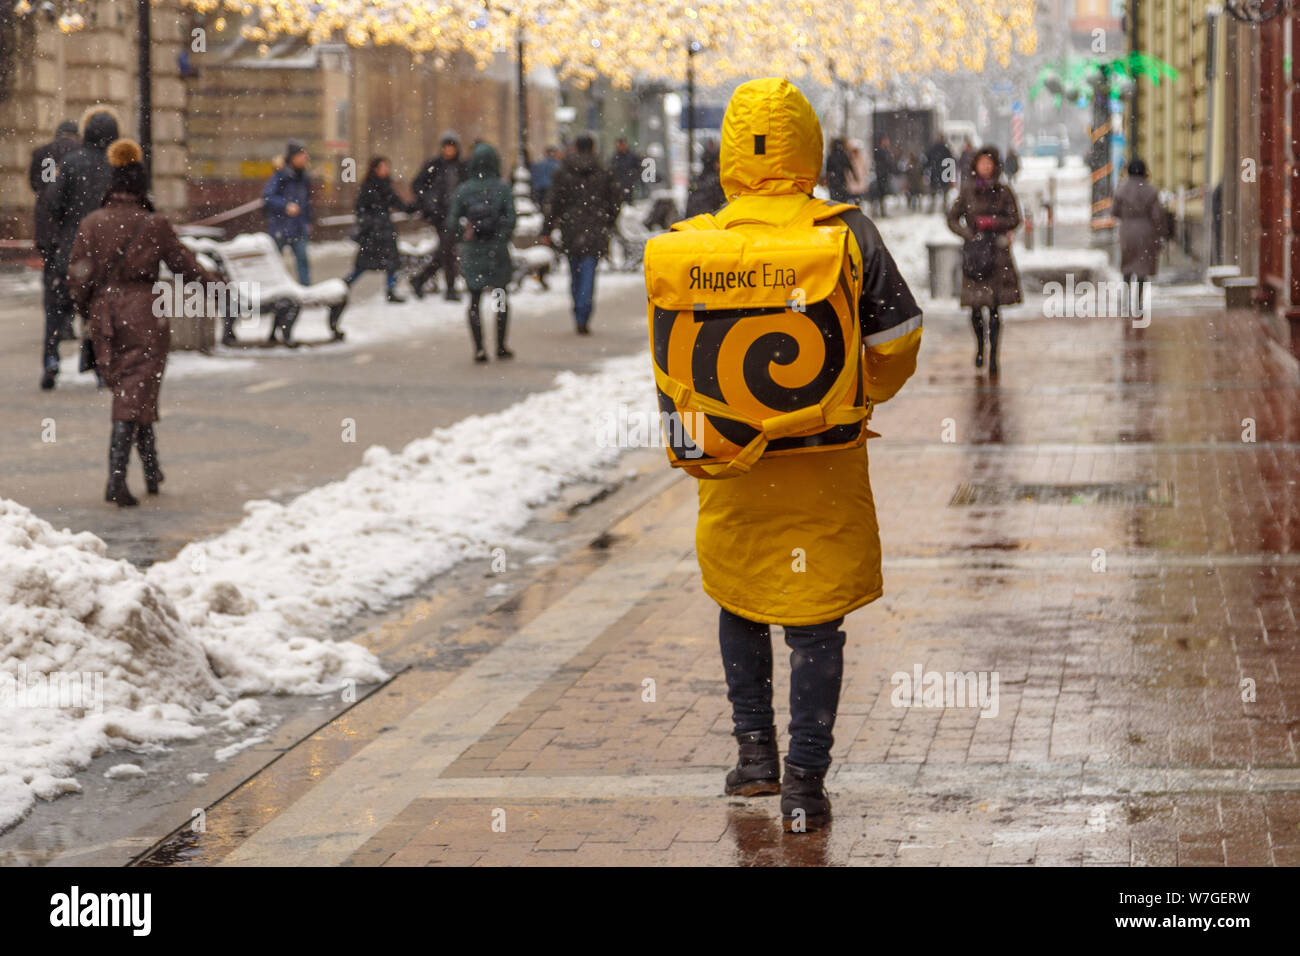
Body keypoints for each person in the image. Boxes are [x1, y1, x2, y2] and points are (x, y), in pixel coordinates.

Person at [679, 78, 922, 834]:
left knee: (740, 599)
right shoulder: (849, 232)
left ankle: (756, 757)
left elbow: (678, 361)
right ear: (810, 148)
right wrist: (858, 390)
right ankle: (805, 785)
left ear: (730, 152)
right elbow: (897, 339)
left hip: (733, 461)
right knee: (816, 622)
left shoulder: (702, 241)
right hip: (824, 459)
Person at [67, 139, 220, 507]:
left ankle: (152, 471)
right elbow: (185, 266)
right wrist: (218, 288)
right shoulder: (154, 225)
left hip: (105, 319)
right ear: (141, 187)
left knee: (133, 390)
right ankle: (116, 479)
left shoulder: (91, 223)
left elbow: (77, 275)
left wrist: (89, 309)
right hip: (144, 316)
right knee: (135, 392)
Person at [46, 109, 120, 389]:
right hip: (106, 252)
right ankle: (100, 366)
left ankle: (51, 358)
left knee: (57, 306)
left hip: (72, 248)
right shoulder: (115, 167)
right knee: (97, 309)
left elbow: (53, 202)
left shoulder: (71, 162)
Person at [947, 145, 1022, 377]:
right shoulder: (968, 191)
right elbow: (952, 218)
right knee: (976, 310)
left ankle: (994, 356)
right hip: (975, 257)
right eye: (982, 164)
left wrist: (993, 223)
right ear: (975, 166)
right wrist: (969, 235)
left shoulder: (1004, 191)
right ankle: (980, 347)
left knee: (995, 309)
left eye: (989, 164)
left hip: (997, 257)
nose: (986, 168)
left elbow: (1014, 219)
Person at [542, 134, 621, 335]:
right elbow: (615, 201)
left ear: (575, 147)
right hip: (595, 229)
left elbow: (554, 202)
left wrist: (547, 229)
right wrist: (607, 220)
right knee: (588, 272)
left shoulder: (564, 172)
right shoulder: (603, 171)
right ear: (593, 148)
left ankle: (578, 307)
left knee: (574, 272)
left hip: (571, 228)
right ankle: (583, 312)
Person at [447, 142, 516, 363]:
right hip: (496, 251)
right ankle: (501, 346)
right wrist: (500, 235)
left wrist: (466, 234)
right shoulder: (502, 188)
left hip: (473, 251)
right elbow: (512, 219)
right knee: (500, 298)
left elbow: (451, 222)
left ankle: (479, 348)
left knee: (474, 300)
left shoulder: (464, 189)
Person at [30, 119, 81, 389]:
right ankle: (90, 356)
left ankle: (51, 356)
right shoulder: (81, 156)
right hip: (74, 241)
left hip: (51, 238)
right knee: (85, 295)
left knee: (52, 296)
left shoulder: (41, 153)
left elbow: (35, 186)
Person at [344, 157, 417, 309]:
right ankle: (343, 286)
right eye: (383, 167)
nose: (386, 170)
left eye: (387, 167)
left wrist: (412, 207)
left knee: (392, 263)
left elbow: (398, 203)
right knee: (362, 265)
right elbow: (360, 209)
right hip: (372, 233)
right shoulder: (368, 187)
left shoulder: (386, 186)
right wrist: (371, 223)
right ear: (375, 169)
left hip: (385, 231)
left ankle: (390, 291)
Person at [410, 132, 465, 301]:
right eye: (446, 147)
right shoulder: (434, 165)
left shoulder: (461, 167)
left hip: (455, 214)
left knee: (446, 251)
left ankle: (420, 279)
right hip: (440, 215)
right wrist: (430, 202)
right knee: (448, 251)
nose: (449, 151)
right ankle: (449, 288)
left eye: (451, 147)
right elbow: (418, 185)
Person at [1113, 158, 1165, 316]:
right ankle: (1139, 302)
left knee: (1127, 265)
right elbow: (1157, 216)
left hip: (1127, 231)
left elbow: (1114, 212)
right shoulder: (1151, 191)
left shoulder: (1121, 190)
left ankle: (1125, 300)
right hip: (1145, 231)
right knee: (1142, 267)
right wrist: (1161, 232)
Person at [262, 140, 313, 285]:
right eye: (302, 155)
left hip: (298, 228)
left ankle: (306, 292)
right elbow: (267, 197)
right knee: (275, 263)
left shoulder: (304, 177)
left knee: (303, 262)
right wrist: (286, 206)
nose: (305, 158)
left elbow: (307, 202)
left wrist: (308, 221)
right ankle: (274, 288)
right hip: (280, 227)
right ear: (293, 157)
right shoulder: (281, 175)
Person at [684, 141, 727, 218]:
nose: (720, 165)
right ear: (713, 163)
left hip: (696, 223)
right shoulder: (718, 182)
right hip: (711, 224)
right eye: (718, 161)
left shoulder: (697, 181)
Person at [923, 134, 955, 213]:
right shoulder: (946, 149)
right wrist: (950, 175)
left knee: (933, 191)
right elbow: (950, 162)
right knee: (945, 192)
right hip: (944, 172)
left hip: (935, 172)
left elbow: (927, 161)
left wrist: (925, 170)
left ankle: (932, 207)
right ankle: (944, 207)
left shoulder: (933, 148)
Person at [610, 137, 641, 205]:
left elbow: (639, 168)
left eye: (623, 145)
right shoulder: (614, 158)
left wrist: (633, 177)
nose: (621, 147)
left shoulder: (632, 156)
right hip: (619, 186)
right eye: (619, 145)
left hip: (630, 185)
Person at [530, 145, 561, 209]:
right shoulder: (558, 165)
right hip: (551, 190)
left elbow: (533, 178)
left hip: (539, 190)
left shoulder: (537, 164)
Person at [825, 137, 853, 204]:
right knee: (842, 198)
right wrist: (855, 177)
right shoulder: (843, 155)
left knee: (834, 198)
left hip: (833, 179)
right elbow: (849, 166)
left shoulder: (831, 156)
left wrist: (827, 179)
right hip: (841, 179)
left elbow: (828, 169)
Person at [871, 136, 894, 216]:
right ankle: (879, 210)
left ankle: (880, 210)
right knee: (879, 193)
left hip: (883, 174)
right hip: (881, 175)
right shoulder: (881, 151)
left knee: (881, 194)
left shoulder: (884, 151)